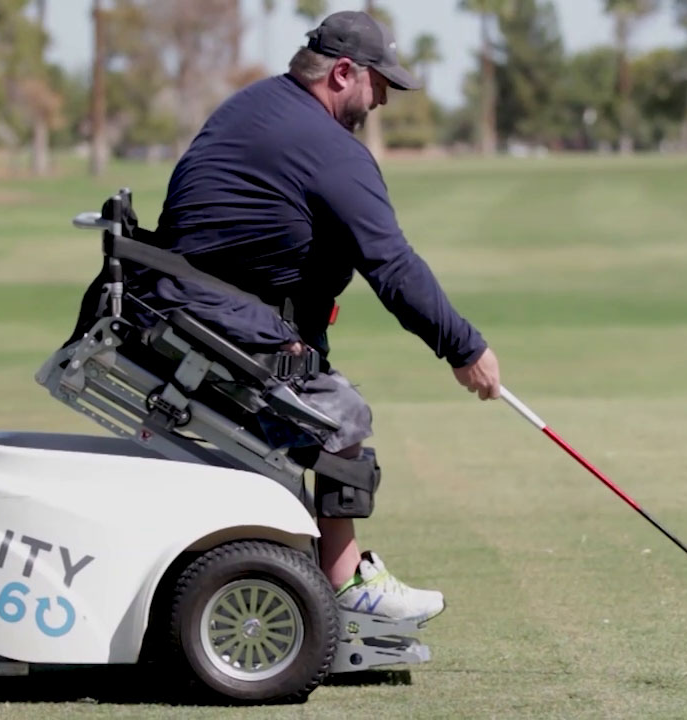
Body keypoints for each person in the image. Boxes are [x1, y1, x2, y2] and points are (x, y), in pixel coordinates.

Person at [124, 10, 502, 623]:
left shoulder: (256, 104)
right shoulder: (327, 147)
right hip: (193, 312)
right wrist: (466, 349)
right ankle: (348, 585)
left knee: (316, 400)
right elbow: (393, 267)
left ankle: (319, 567)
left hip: (176, 301)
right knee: (340, 414)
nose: (381, 100)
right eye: (379, 84)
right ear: (344, 73)